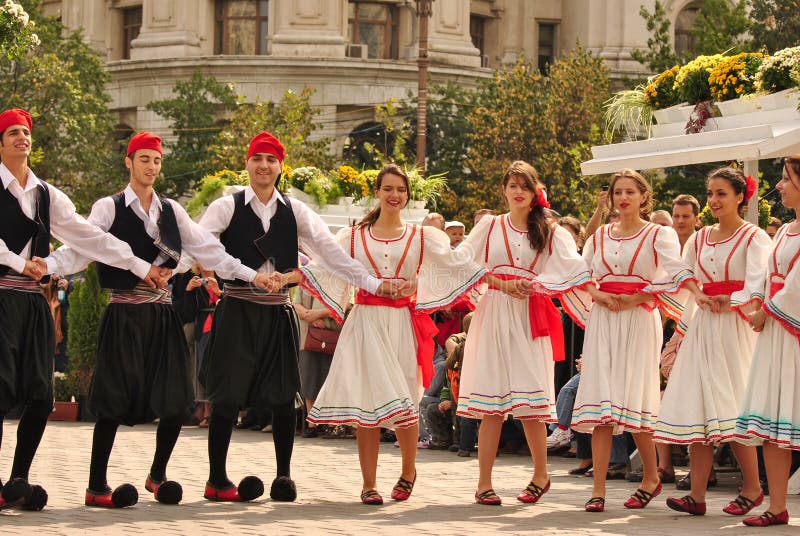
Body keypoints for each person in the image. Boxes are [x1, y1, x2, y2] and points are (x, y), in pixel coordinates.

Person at [47, 132, 274, 508]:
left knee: (176, 398)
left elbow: (206, 247)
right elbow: (83, 247)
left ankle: (157, 475)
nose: (151, 166)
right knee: (113, 398)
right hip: (124, 311)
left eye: (156, 160)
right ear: (129, 162)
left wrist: (249, 275)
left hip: (162, 313)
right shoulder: (109, 207)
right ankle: (96, 485)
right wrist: (48, 263)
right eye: (144, 159)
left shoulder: (171, 210)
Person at [198, 132, 398, 504]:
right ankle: (216, 478)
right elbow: (204, 248)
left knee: (283, 395)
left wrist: (374, 284)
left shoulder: (296, 211)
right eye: (257, 158)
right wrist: (248, 274)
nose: (264, 166)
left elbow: (332, 255)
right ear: (247, 163)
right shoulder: (227, 206)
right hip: (237, 308)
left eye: (271, 160)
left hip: (278, 312)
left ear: (280, 166)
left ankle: (284, 476)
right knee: (226, 395)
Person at [0, 109, 169, 511]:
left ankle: (17, 480)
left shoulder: (46, 194)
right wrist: (19, 262)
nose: (23, 138)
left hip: (33, 302)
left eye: (26, 132)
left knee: (40, 396)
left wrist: (139, 265)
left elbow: (89, 237)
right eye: (13, 132)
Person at [298, 163, 487, 505]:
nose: (394, 195)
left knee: (405, 399)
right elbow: (326, 265)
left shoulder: (420, 236)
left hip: (402, 322)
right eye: (388, 188)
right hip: (365, 321)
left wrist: (418, 284)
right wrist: (286, 276)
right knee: (367, 403)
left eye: (400, 189)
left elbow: (451, 265)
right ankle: (369, 483)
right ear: (377, 192)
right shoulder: (354, 236)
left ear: (408, 195)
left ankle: (408, 470)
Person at [571, 168, 709, 513]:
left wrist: (639, 297)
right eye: (618, 192)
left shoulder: (658, 234)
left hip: (639, 317)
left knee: (635, 398)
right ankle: (598, 490)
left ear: (644, 196)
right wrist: (598, 296)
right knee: (602, 401)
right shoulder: (600, 236)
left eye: (630, 192)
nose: (623, 198)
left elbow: (675, 270)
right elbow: (580, 273)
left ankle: (651, 474)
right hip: (604, 318)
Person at [456, 161, 592, 506]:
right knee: (490, 404)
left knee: (531, 402)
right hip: (493, 312)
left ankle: (541, 474)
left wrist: (537, 284)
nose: (519, 192)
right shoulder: (489, 226)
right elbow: (462, 261)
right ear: (503, 189)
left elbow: (573, 267)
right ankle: (483, 483)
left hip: (530, 314)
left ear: (535, 192)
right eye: (513, 185)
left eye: (525, 186)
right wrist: (499, 281)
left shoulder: (550, 230)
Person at [655, 167, 770, 517]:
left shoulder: (753, 237)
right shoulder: (700, 237)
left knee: (732, 404)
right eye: (710, 194)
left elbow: (758, 281)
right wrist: (698, 293)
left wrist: (732, 299)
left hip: (735, 328)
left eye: (722, 193)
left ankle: (753, 487)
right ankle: (697, 494)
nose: (714, 200)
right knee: (699, 405)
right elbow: (682, 271)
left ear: (740, 196)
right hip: (704, 325)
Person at [735, 155, 800, 527]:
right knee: (775, 424)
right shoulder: (786, 230)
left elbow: (797, 285)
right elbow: (768, 274)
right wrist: (757, 301)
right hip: (777, 332)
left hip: (791, 330)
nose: (779, 185)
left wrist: (766, 311)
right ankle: (777, 506)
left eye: (786, 178)